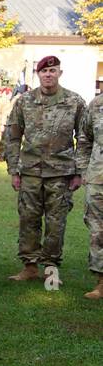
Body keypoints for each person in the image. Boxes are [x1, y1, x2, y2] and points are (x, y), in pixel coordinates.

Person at [0, 56, 90, 282]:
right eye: (44, 71)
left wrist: (80, 171)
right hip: (30, 171)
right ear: (38, 75)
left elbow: (85, 137)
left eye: (52, 70)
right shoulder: (24, 101)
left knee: (55, 222)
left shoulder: (74, 101)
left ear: (60, 73)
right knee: (28, 220)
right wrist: (13, 170)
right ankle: (29, 266)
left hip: (61, 172)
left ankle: (51, 270)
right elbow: (12, 136)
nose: (48, 74)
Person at [85, 91, 103, 299]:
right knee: (98, 232)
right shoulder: (97, 104)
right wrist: (85, 170)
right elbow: (84, 140)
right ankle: (101, 282)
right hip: (98, 179)